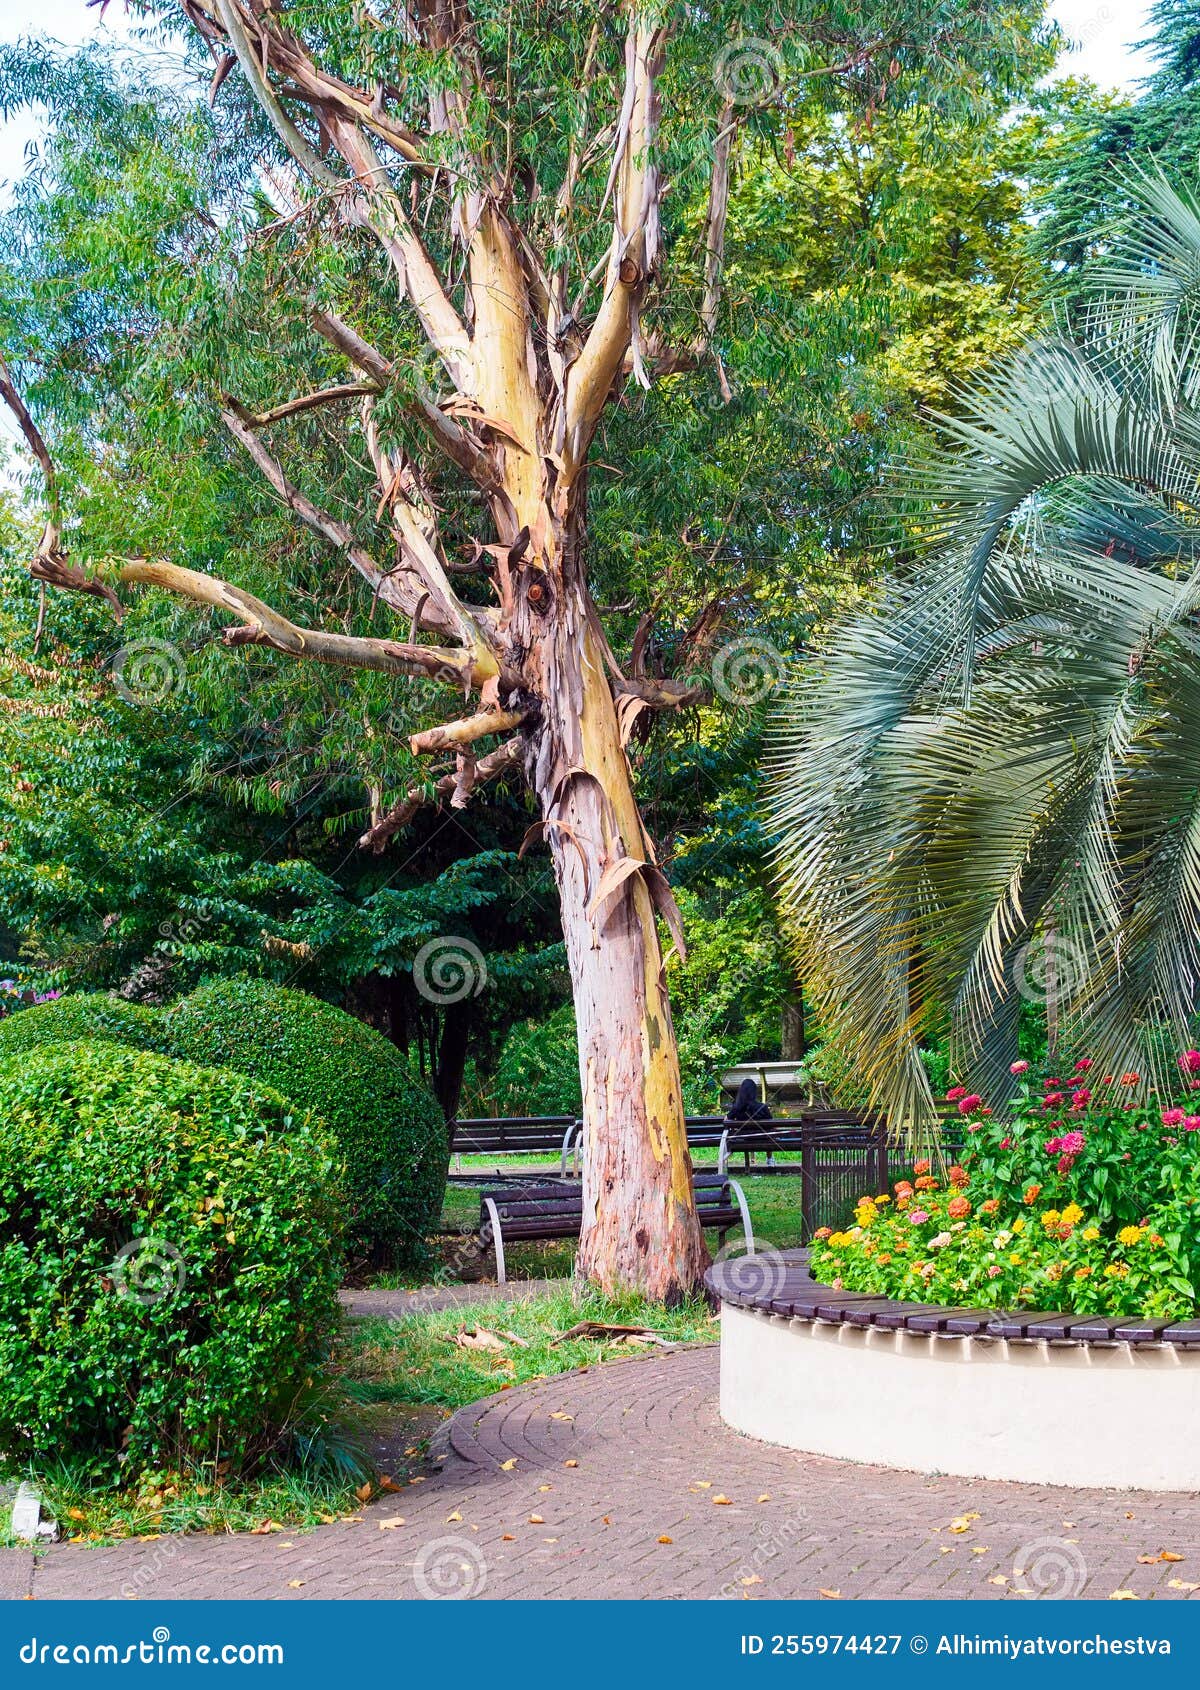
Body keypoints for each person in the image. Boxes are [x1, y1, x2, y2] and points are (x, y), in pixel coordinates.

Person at [723, 1076, 774, 1168]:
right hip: (764, 1139)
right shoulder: (762, 1107)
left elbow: (725, 1120)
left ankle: (752, 1161)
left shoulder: (737, 1109)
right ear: (754, 1092)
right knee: (768, 1132)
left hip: (743, 1139)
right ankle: (770, 1159)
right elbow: (772, 1125)